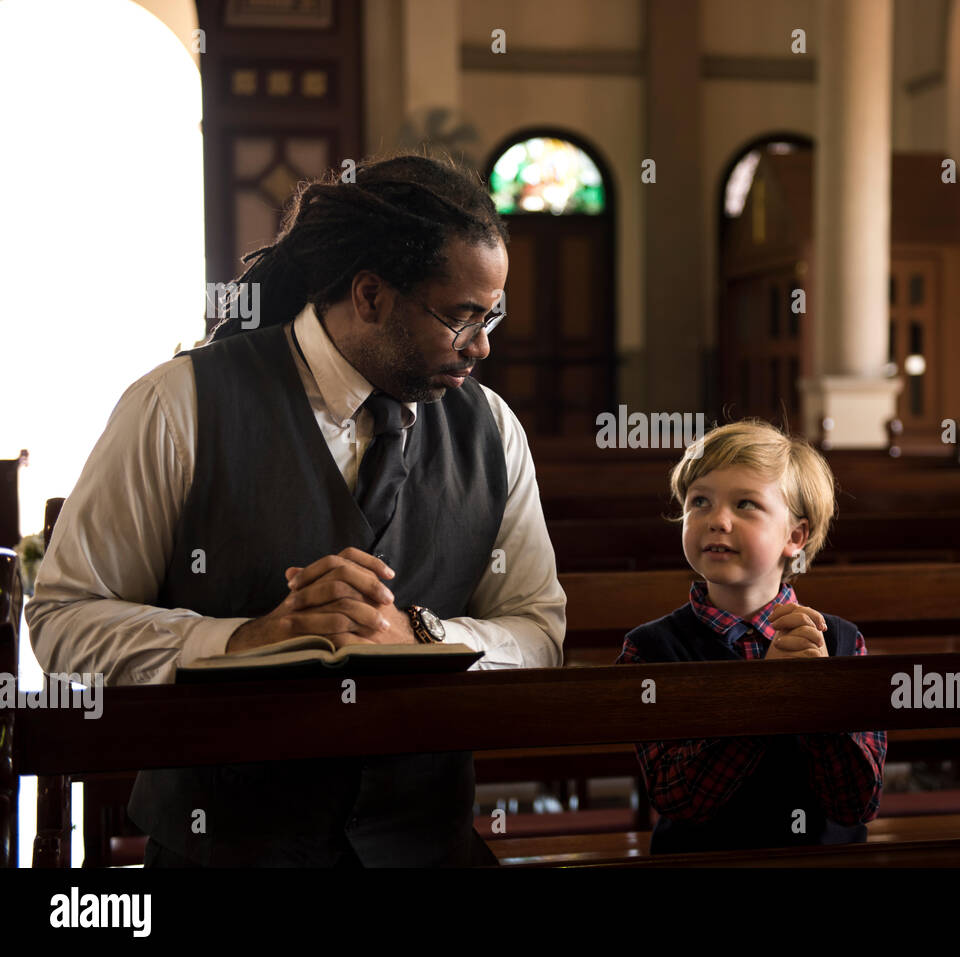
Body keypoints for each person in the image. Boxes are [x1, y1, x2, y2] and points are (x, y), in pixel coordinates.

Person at [25, 153, 566, 866]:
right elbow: (64, 620)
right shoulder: (178, 404)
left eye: (490, 315)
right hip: (225, 853)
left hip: (427, 847)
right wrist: (243, 641)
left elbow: (538, 630)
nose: (483, 345)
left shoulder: (491, 429)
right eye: (460, 317)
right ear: (370, 295)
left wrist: (421, 634)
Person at [615, 420, 886, 853]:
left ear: (795, 536)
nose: (718, 521)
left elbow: (856, 803)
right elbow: (679, 798)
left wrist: (819, 692)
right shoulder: (651, 650)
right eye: (699, 501)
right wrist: (766, 692)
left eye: (745, 504)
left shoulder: (840, 642)